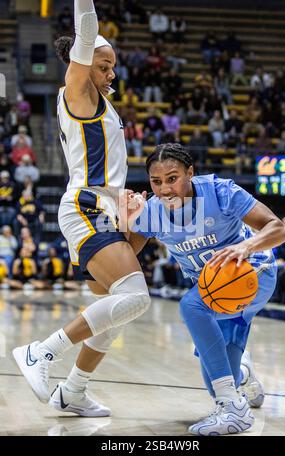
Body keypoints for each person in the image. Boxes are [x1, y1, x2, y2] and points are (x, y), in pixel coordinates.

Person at [12, 0, 150, 417]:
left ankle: (73, 390)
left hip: (104, 210)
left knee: (115, 308)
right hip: (85, 206)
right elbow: (86, 31)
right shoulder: (78, 94)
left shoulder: (101, 103)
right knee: (136, 298)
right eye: (103, 65)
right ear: (84, 62)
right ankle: (41, 353)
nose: (111, 74)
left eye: (112, 67)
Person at [126, 143, 285, 436]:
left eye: (172, 178)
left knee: (192, 305)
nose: (165, 189)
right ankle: (242, 378)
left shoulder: (220, 191)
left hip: (255, 272)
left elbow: (279, 229)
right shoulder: (150, 210)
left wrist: (245, 245)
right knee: (215, 373)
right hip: (217, 291)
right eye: (156, 181)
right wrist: (126, 221)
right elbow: (125, 258)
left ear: (190, 172)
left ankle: (233, 409)